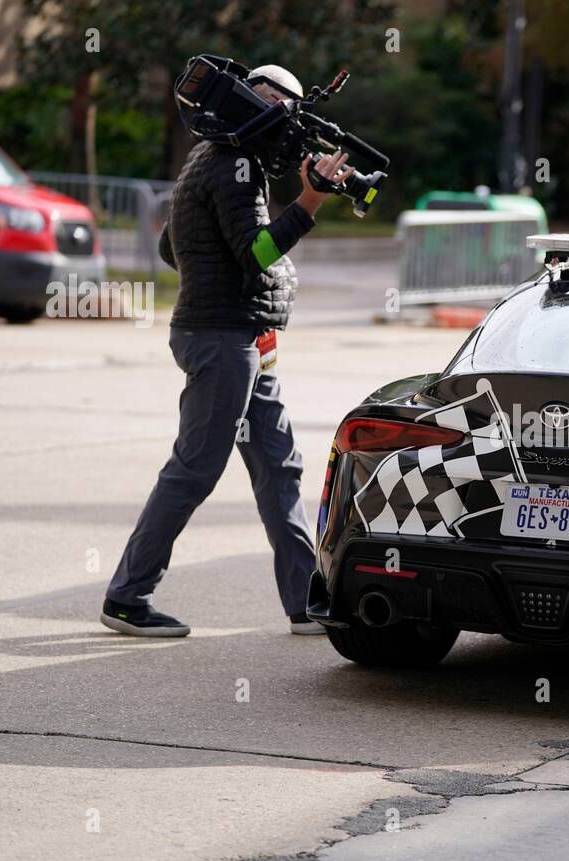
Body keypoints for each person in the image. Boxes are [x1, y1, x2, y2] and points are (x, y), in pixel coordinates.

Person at [100, 64, 352, 638]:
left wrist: (221, 283)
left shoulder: (207, 156)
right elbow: (256, 251)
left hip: (238, 335)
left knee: (279, 466)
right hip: (221, 339)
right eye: (284, 112)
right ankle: (126, 596)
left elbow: (173, 247)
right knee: (194, 470)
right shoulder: (236, 164)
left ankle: (304, 600)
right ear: (260, 105)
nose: (288, 128)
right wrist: (310, 201)